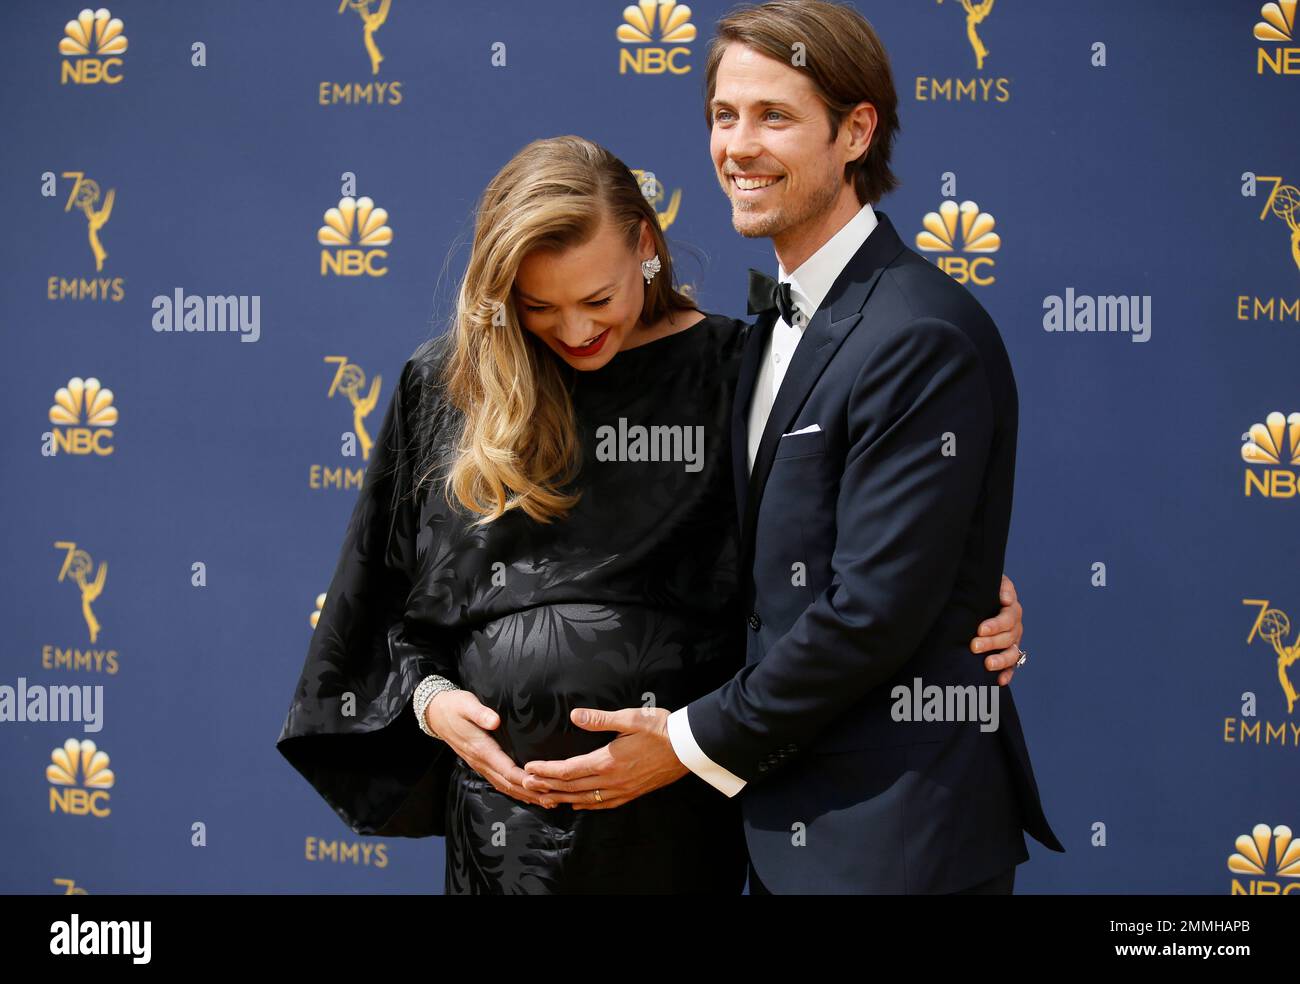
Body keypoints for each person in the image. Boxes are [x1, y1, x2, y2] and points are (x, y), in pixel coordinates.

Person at [275, 132, 1029, 894]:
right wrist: (434, 705)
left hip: (681, 820)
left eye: (598, 299)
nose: (575, 331)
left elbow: (851, 559)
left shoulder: (740, 369)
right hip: (503, 834)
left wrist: (960, 596)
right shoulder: (445, 386)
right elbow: (379, 610)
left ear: (645, 247)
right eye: (540, 307)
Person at [519, 1, 1063, 895]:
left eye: (775, 117)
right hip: (782, 835)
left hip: (891, 845)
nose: (739, 147)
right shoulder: (762, 332)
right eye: (724, 117)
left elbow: (872, 614)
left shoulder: (918, 334)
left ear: (856, 133)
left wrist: (683, 747)